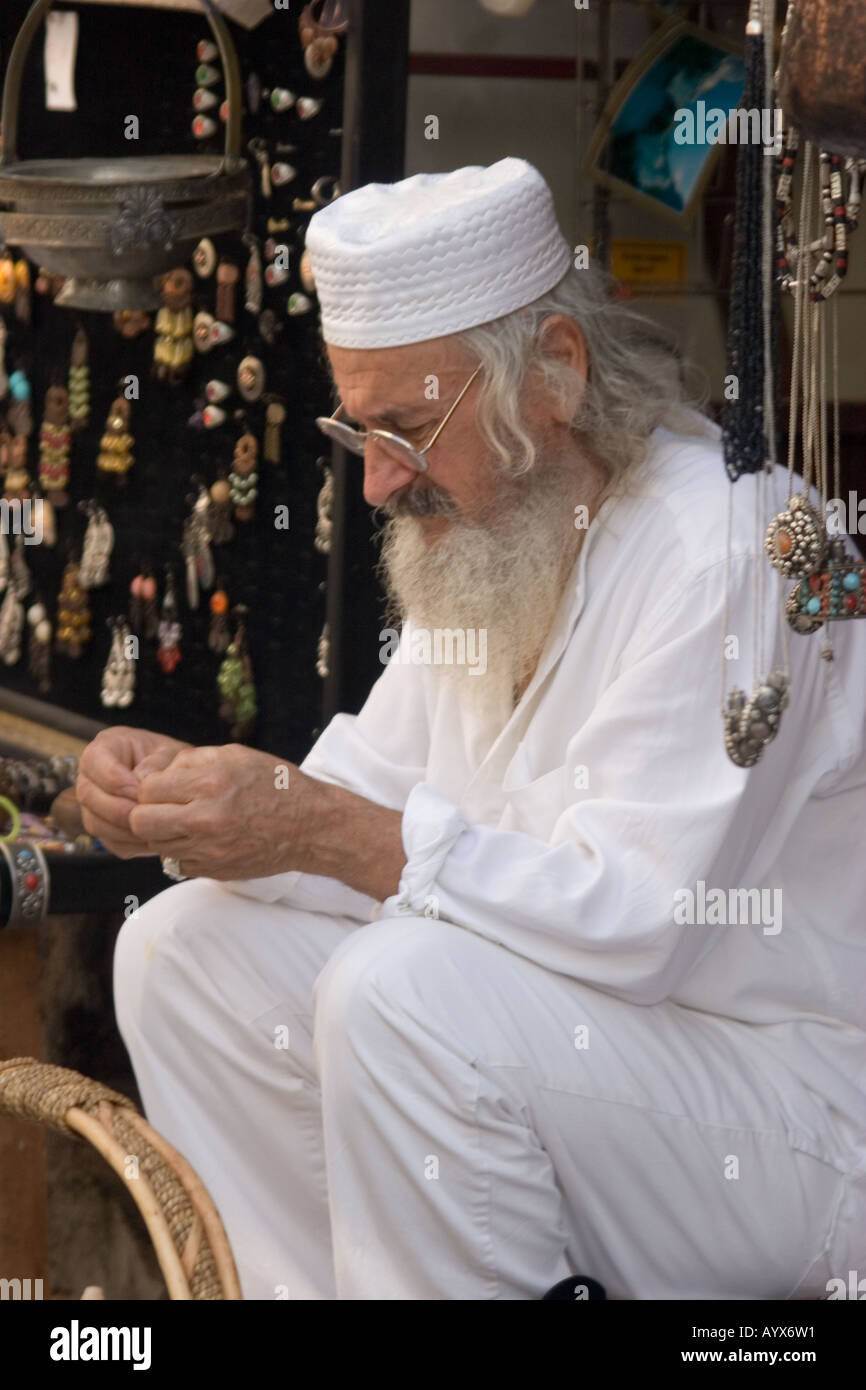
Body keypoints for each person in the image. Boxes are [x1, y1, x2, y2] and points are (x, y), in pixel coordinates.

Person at [76, 158, 866, 1301]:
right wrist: (196, 798)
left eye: (406, 429)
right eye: (358, 432)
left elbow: (641, 925)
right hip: (589, 1071)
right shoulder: (495, 539)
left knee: (400, 993)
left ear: (552, 371)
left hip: (782, 1120)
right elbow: (353, 813)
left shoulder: (734, 539)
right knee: (182, 950)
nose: (380, 482)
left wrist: (321, 828)